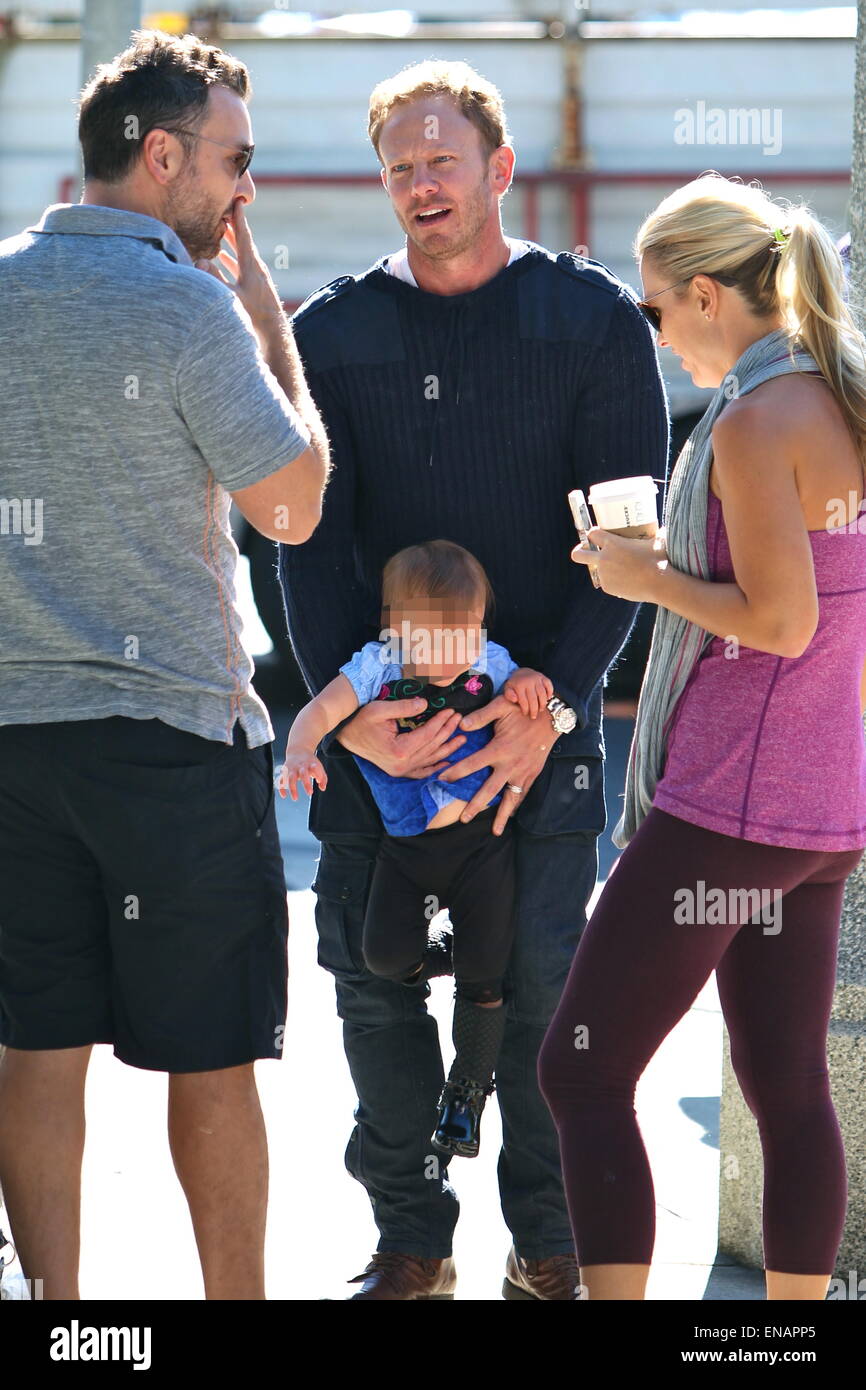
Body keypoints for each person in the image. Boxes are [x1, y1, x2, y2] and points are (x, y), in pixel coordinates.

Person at [278, 59, 669, 1299]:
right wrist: (357, 728)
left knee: (549, 1008)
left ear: (499, 170)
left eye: (441, 160)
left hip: (535, 735)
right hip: (382, 737)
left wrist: (544, 707)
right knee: (375, 994)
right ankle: (411, 1243)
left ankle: (547, 1250)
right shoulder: (331, 335)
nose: (418, 184)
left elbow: (628, 547)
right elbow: (303, 545)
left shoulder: (589, 320)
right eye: (397, 165)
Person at [0, 30, 328, 1300]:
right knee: (208, 1057)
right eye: (234, 162)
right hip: (173, 743)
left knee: (35, 1047)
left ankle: (62, 1323)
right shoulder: (191, 306)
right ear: (161, 155)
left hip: (17, 740)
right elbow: (293, 506)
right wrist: (265, 323)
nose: (246, 189)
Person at [538, 172, 866, 1301]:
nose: (655, 332)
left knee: (577, 1071)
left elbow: (778, 621)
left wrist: (645, 576)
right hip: (818, 815)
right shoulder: (841, 400)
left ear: (710, 295)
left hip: (729, 809)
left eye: (654, 307)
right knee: (786, 1088)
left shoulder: (754, 421)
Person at [282, 537, 553, 1162]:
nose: (457, 651)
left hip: (483, 844)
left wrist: (536, 682)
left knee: (488, 980)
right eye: (437, 638)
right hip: (408, 850)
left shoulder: (488, 660)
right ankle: (438, 957)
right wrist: (301, 751)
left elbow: (529, 691)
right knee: (381, 957)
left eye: (468, 633)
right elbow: (321, 710)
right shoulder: (378, 668)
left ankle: (466, 1094)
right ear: (396, 632)